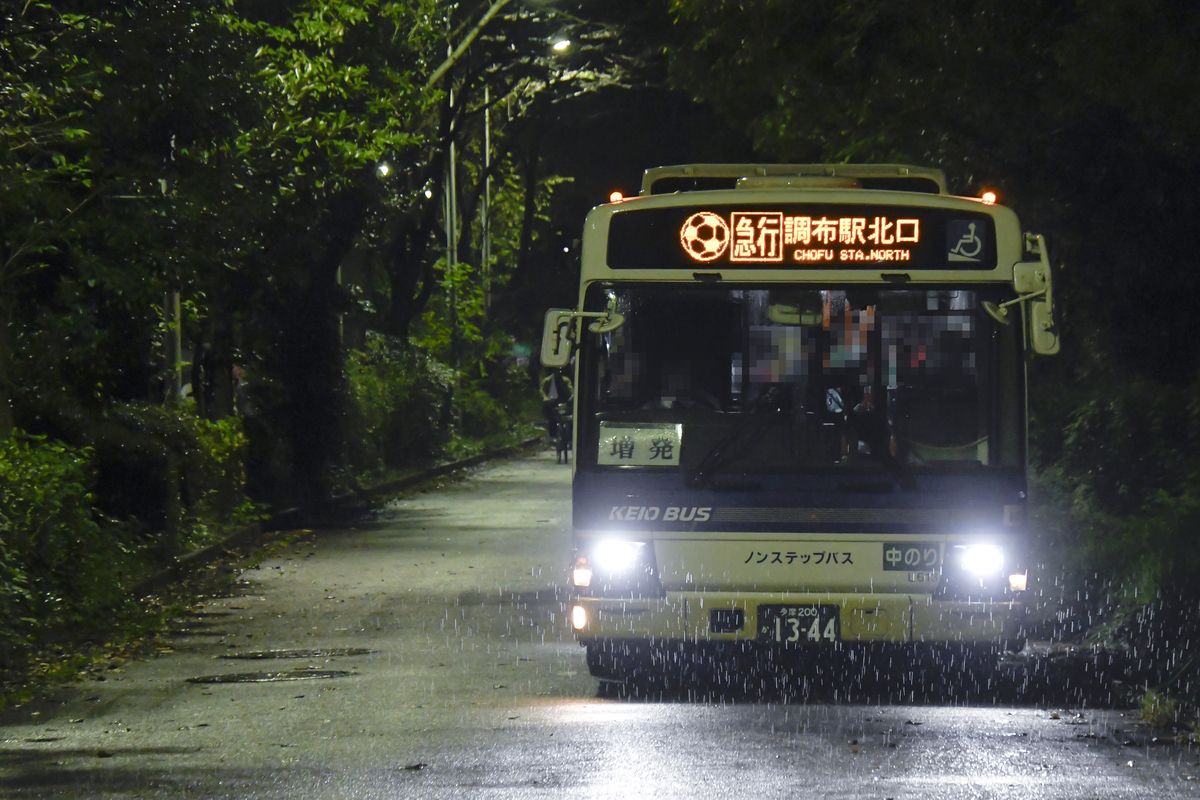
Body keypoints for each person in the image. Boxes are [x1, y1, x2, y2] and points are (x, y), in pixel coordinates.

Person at [540, 369, 573, 463]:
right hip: (552, 403)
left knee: (569, 419)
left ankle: (569, 439)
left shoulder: (565, 380)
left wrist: (571, 399)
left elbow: (570, 391)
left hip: (564, 403)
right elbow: (543, 391)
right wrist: (545, 399)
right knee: (552, 418)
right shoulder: (547, 381)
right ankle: (553, 436)